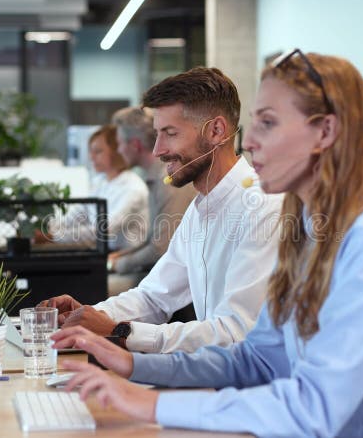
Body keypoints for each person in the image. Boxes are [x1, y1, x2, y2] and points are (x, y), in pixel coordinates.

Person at [49, 52, 363, 437]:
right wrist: (133, 362)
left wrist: (151, 401)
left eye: (268, 123)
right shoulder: (304, 226)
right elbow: (256, 358)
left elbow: (314, 406)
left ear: (325, 132)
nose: (248, 143)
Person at [40, 67, 284, 354]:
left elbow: (237, 332)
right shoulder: (200, 209)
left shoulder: (262, 207)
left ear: (216, 131)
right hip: (213, 374)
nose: (157, 149)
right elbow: (154, 297)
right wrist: (90, 316)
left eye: (170, 133)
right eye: (157, 134)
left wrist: (121, 332)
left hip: (246, 387)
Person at [107, 106, 196, 296]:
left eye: (120, 143)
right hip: (164, 275)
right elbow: (153, 240)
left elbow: (161, 247)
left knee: (99, 289)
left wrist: (120, 263)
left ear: (136, 145)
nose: (119, 150)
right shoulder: (154, 177)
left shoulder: (168, 179)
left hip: (180, 286)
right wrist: (121, 257)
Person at [45, 125, 148, 252]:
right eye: (91, 151)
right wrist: (48, 229)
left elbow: (104, 230)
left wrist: (53, 236)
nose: (91, 157)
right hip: (104, 253)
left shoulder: (134, 189)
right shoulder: (100, 182)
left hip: (126, 261)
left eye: (98, 151)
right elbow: (78, 214)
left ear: (117, 151)